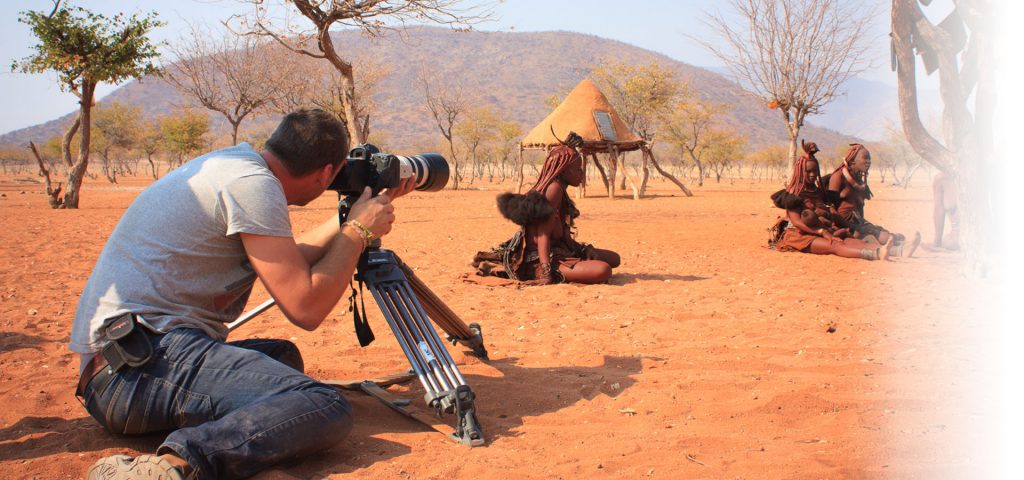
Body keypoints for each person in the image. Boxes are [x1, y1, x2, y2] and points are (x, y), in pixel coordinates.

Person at [70, 109, 414, 480]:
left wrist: (350, 219)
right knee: (323, 404)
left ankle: (220, 444)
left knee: (282, 357)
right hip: (135, 374)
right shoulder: (254, 185)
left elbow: (290, 260)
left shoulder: (237, 167)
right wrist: (360, 230)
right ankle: (173, 466)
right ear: (328, 172)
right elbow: (306, 308)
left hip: (120, 366)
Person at [472, 135, 619, 284]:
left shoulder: (560, 190)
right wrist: (545, 272)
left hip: (562, 250)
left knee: (615, 258)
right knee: (603, 270)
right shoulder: (553, 190)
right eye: (577, 169)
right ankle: (539, 270)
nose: (582, 173)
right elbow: (543, 235)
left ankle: (578, 258)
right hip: (540, 258)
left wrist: (582, 249)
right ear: (563, 170)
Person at [771, 140, 889, 260]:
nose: (812, 174)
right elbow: (797, 223)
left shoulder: (819, 192)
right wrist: (822, 232)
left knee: (851, 240)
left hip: (823, 231)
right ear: (800, 172)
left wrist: (850, 227)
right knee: (835, 245)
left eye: (815, 171)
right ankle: (876, 254)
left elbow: (834, 214)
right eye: (808, 171)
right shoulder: (794, 194)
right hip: (799, 236)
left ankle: (896, 251)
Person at [826, 143, 920, 256]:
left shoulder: (859, 181)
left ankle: (901, 245)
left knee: (883, 235)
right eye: (865, 158)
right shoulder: (838, 177)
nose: (868, 161)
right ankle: (900, 249)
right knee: (873, 237)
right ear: (852, 161)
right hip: (841, 223)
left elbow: (860, 208)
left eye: (869, 158)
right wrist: (849, 227)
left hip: (858, 222)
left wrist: (863, 224)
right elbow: (830, 208)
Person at [931, 170, 960, 250]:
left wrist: (937, 242)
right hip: (959, 237)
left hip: (957, 238)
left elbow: (938, 210)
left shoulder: (942, 179)